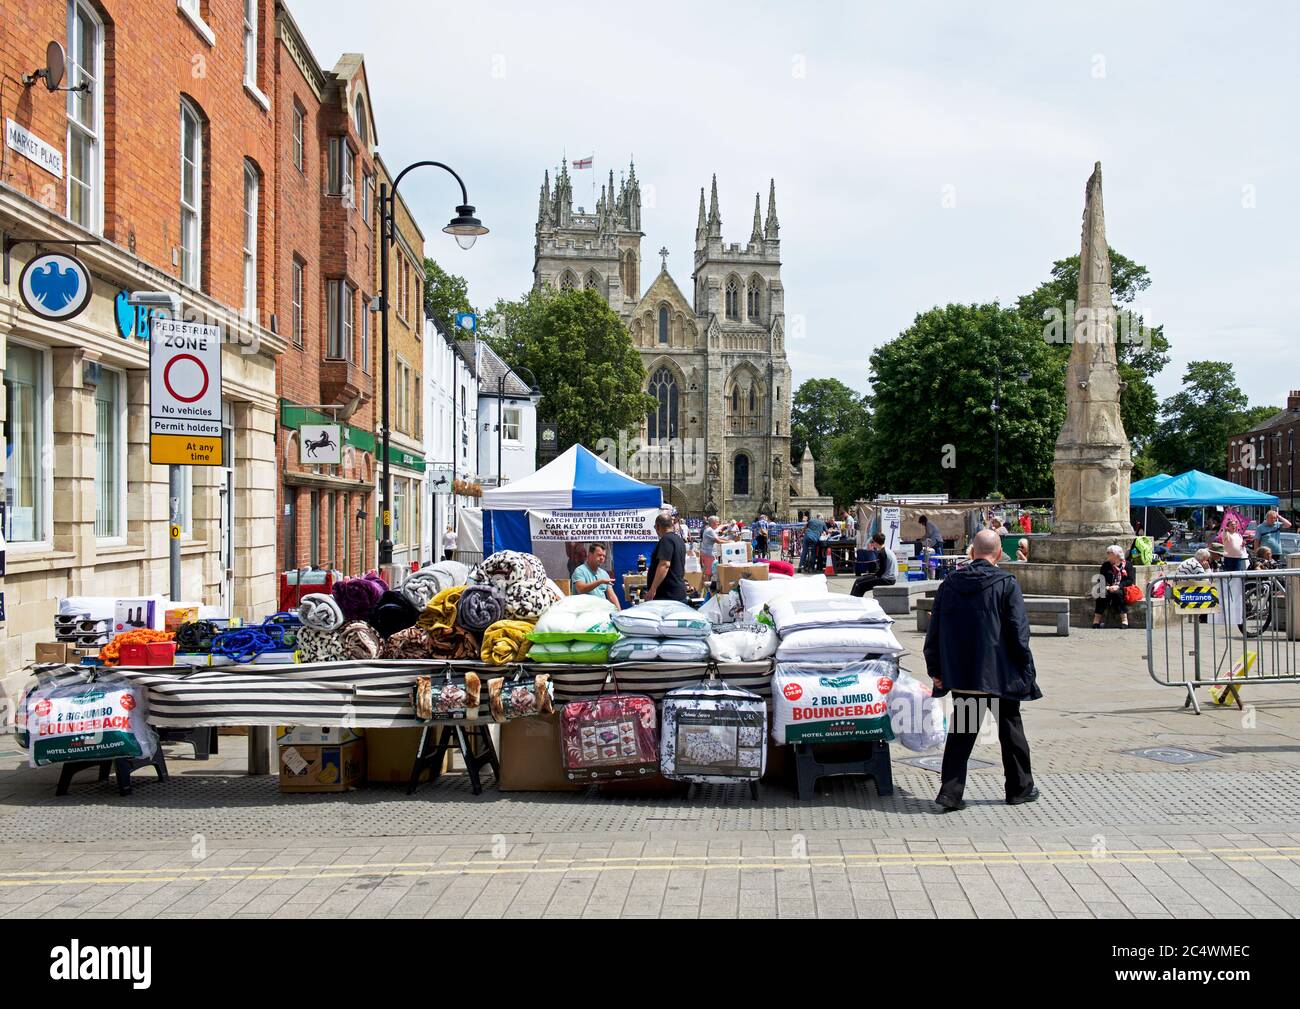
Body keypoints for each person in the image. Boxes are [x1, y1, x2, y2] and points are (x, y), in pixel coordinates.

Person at [923, 529, 1040, 811]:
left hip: (965, 677)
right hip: (1001, 675)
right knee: (1011, 733)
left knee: (961, 737)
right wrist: (1025, 669)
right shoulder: (1007, 583)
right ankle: (1019, 788)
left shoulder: (949, 584)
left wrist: (936, 669)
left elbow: (934, 632)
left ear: (972, 552)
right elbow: (1018, 632)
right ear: (998, 554)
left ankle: (950, 793)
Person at [645, 514, 688, 603]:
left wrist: (652, 589)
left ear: (658, 526)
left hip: (667, 595)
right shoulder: (678, 540)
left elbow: (665, 564)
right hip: (676, 591)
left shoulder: (666, 540)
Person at [1093, 544, 1135, 629]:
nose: (1108, 555)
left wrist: (1118, 586)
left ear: (1116, 555)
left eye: (1110, 553)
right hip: (1108, 587)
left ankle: (1124, 619)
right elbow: (1101, 578)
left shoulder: (1127, 565)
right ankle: (1096, 620)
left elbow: (1130, 580)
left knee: (1117, 594)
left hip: (1121, 588)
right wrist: (1107, 586)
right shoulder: (1106, 565)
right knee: (1102, 594)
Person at [571, 543, 620, 609]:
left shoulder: (604, 573)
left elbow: (611, 596)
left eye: (604, 556)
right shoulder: (580, 570)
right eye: (599, 555)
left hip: (602, 610)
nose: (602, 558)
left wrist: (619, 613)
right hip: (584, 611)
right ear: (590, 555)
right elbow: (581, 589)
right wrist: (600, 581)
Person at [851, 532, 897, 596]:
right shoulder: (887, 550)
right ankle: (856, 601)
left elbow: (882, 570)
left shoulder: (882, 553)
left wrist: (872, 576)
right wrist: (870, 576)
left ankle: (853, 602)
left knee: (858, 584)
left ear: (876, 542)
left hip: (886, 579)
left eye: (873, 542)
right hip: (889, 578)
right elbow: (882, 570)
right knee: (859, 581)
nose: (872, 543)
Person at [700, 515, 730, 581]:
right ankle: (706, 589)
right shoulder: (710, 530)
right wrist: (730, 542)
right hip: (708, 554)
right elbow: (718, 541)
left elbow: (718, 538)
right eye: (717, 522)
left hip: (708, 553)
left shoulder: (710, 530)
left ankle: (707, 588)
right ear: (713, 522)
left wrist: (728, 541)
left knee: (709, 572)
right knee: (708, 573)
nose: (718, 523)